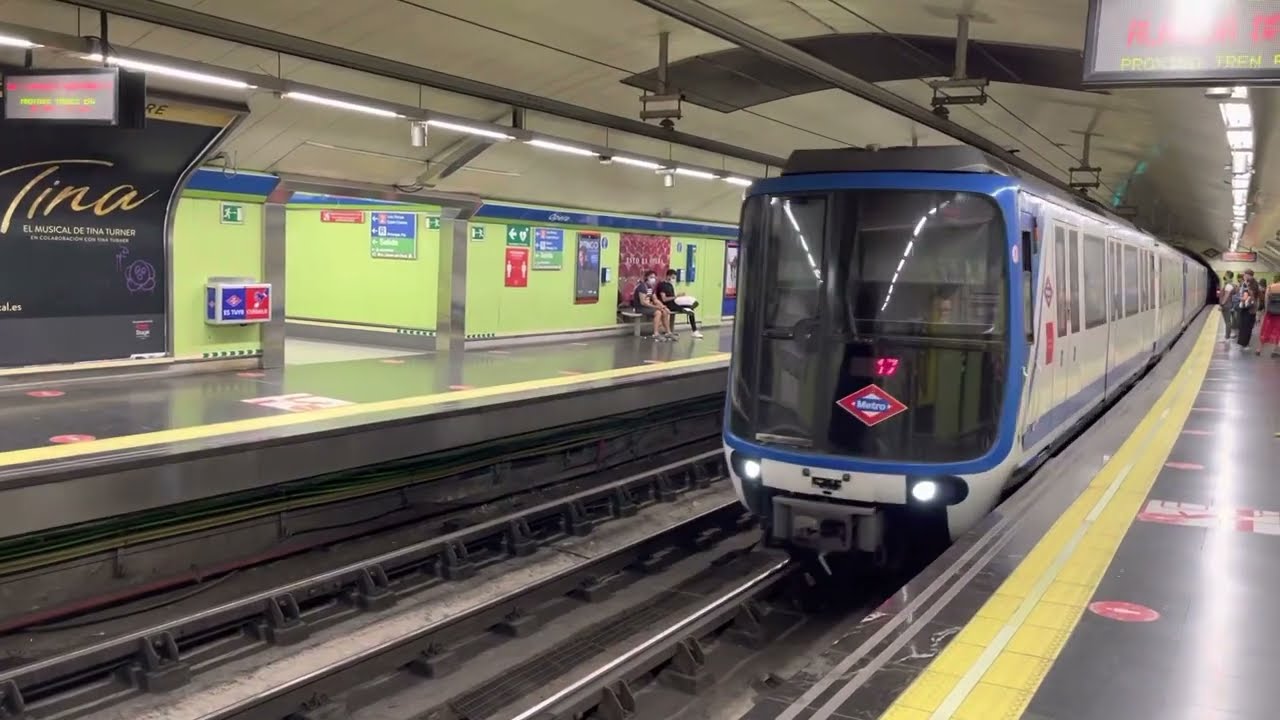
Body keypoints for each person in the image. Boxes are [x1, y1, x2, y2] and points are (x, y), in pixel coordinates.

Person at [657, 268, 703, 339]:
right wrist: (676, 296)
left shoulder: (670, 285)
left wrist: (679, 296)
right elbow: (664, 299)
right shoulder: (662, 285)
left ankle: (694, 330)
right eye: (672, 277)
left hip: (673, 302)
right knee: (687, 309)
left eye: (674, 278)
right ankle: (684, 310)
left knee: (691, 308)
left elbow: (673, 297)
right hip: (667, 305)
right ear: (667, 276)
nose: (673, 279)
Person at [632, 270, 673, 341]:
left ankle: (668, 332)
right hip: (640, 307)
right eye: (651, 277)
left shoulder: (651, 288)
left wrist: (662, 306)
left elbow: (655, 299)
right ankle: (655, 334)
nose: (653, 279)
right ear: (646, 278)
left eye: (654, 277)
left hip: (648, 306)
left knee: (664, 311)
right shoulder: (642, 287)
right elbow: (643, 302)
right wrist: (656, 307)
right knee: (658, 312)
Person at [1256, 275, 1280, 357]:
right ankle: (1275, 351)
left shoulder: (1270, 287)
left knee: (1266, 330)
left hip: (1270, 313)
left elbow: (1266, 301)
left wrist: (1266, 311)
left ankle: (1259, 349)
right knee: (1278, 331)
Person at [1235, 271, 1260, 350]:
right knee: (1243, 325)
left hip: (1251, 309)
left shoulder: (1254, 283)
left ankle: (1246, 344)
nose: (1244, 276)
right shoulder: (1246, 283)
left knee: (1247, 326)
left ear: (1250, 275)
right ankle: (1242, 343)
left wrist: (1246, 286)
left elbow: (1252, 294)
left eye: (1245, 275)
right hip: (1245, 307)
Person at [1219, 271, 1237, 339]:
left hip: (1226, 305)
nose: (1224, 275)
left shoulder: (1228, 285)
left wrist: (1222, 304)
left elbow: (1226, 296)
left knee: (1227, 321)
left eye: (1225, 274)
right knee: (1228, 321)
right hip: (1228, 305)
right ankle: (1227, 335)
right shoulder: (1229, 284)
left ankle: (1227, 336)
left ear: (1228, 276)